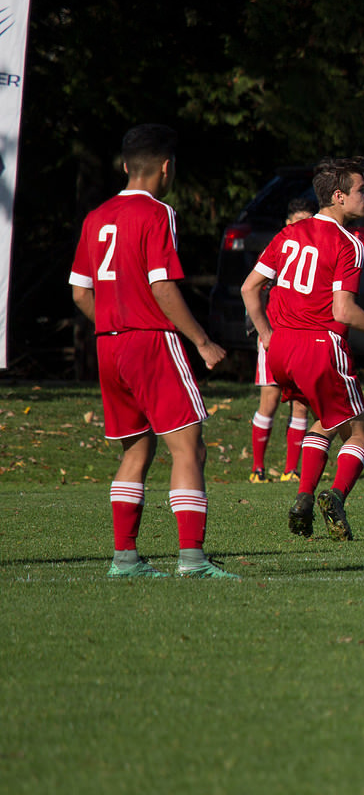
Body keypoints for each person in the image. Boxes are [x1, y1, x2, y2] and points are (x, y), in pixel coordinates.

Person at [69, 124, 236, 579]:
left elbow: (81, 294)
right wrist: (202, 341)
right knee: (189, 449)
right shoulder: (159, 214)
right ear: (167, 167)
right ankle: (193, 560)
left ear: (125, 166)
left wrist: (113, 322)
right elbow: (162, 285)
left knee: (137, 448)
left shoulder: (95, 216)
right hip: (151, 342)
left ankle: (125, 558)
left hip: (110, 345)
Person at [241, 157, 364, 540]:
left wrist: (267, 336)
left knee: (326, 422)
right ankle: (334, 495)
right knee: (359, 432)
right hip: (322, 346)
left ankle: (303, 497)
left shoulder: (290, 234)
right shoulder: (349, 242)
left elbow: (249, 288)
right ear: (338, 196)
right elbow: (343, 311)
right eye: (361, 191)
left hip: (282, 348)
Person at [250, 199, 315, 483]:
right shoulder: (278, 247)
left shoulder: (317, 248)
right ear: (288, 223)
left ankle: (291, 469)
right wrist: (263, 331)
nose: (302, 226)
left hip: (304, 338)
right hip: (275, 335)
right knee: (271, 399)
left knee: (301, 402)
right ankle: (257, 468)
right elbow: (252, 288)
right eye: (297, 220)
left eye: (307, 220)